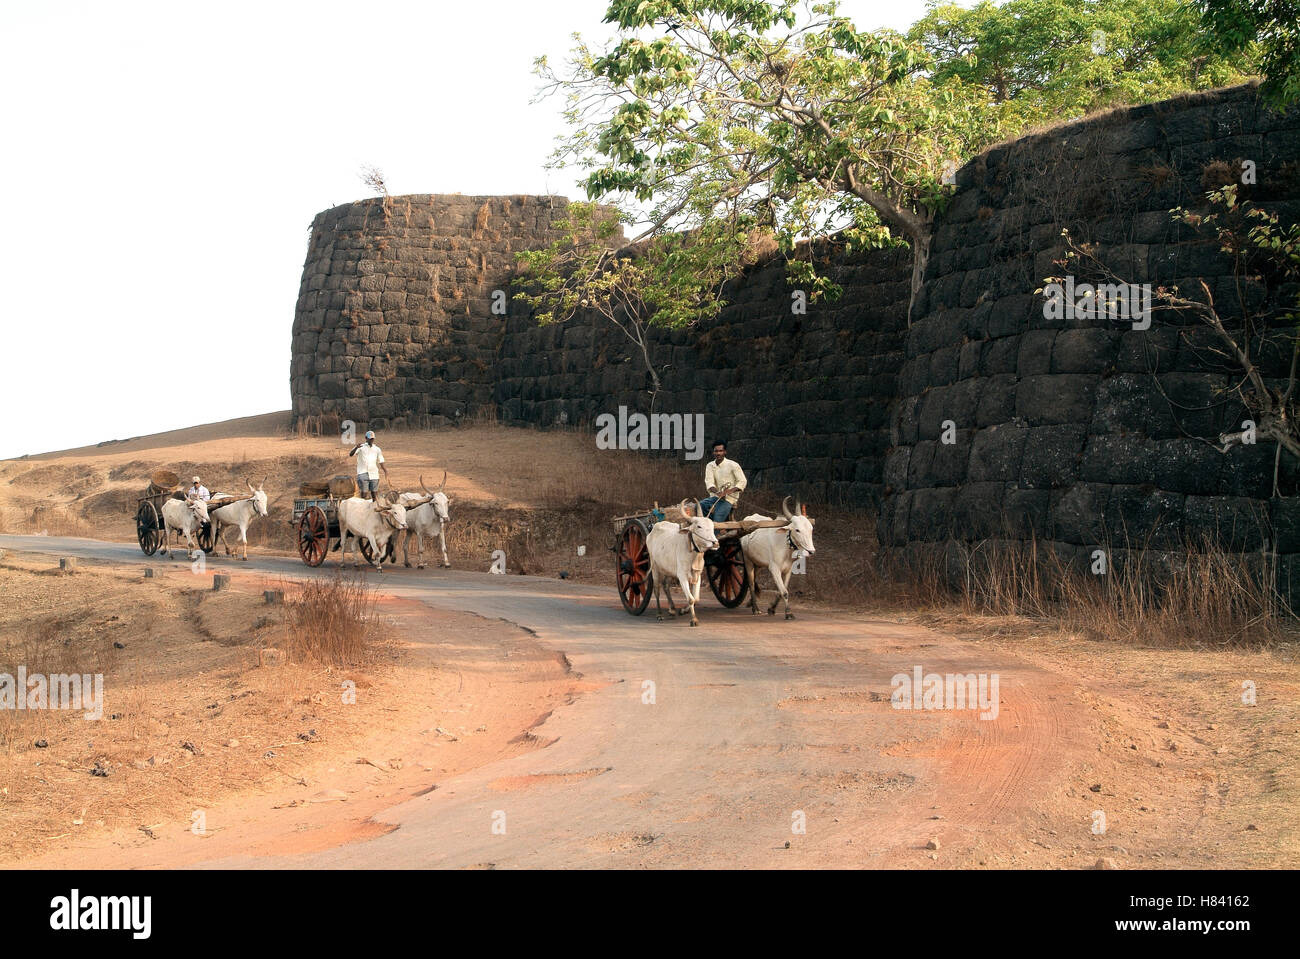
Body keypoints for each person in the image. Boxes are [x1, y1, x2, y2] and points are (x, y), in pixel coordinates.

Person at [699, 440, 746, 521]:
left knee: (718, 518)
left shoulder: (733, 465)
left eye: (720, 451)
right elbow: (709, 483)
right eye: (716, 451)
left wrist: (729, 491)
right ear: (713, 452)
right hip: (715, 497)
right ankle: (710, 522)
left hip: (729, 499)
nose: (718, 453)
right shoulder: (710, 465)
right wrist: (718, 492)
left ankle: (716, 526)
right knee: (700, 505)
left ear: (725, 452)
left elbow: (742, 481)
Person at [349, 430, 389, 500]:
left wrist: (385, 470)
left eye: (372, 439)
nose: (371, 440)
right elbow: (351, 454)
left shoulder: (377, 449)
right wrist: (356, 447)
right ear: (366, 438)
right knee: (364, 494)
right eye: (370, 439)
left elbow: (381, 460)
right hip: (363, 473)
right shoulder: (360, 447)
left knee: (374, 494)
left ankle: (374, 505)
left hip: (374, 474)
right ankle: (363, 505)